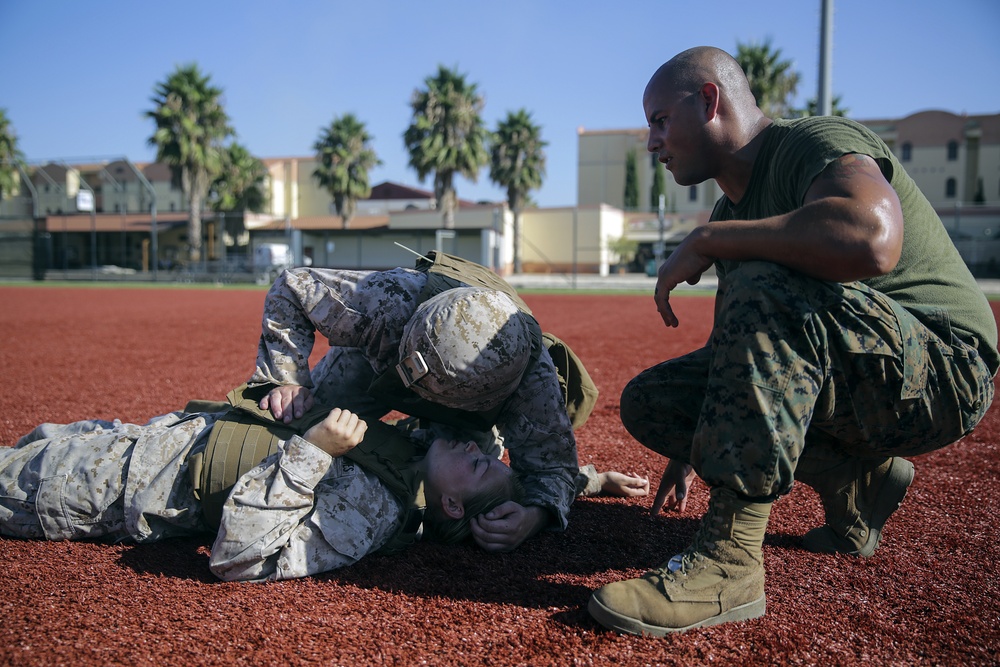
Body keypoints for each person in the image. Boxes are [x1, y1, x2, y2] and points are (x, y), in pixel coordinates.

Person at [588, 46, 998, 636]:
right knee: (650, 401)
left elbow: (871, 236)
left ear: (709, 101)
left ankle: (729, 564)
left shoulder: (814, 141)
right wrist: (690, 449)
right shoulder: (734, 208)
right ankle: (856, 482)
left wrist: (710, 238)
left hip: (946, 370)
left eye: (659, 121)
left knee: (764, 283)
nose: (652, 142)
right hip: (870, 370)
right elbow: (743, 352)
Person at [250, 250, 647, 553]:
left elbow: (552, 467)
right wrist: (287, 378)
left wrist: (535, 516)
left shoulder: (529, 381)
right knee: (299, 425)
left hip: (466, 411)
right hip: (375, 362)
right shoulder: (387, 302)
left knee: (465, 473)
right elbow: (291, 287)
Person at [0, 391, 523, 582]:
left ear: (451, 506)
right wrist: (567, 492)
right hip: (141, 441)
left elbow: (240, 559)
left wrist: (314, 448)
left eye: (480, 467)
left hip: (111, 486)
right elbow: (496, 428)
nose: (476, 450)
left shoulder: (373, 514)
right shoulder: (414, 455)